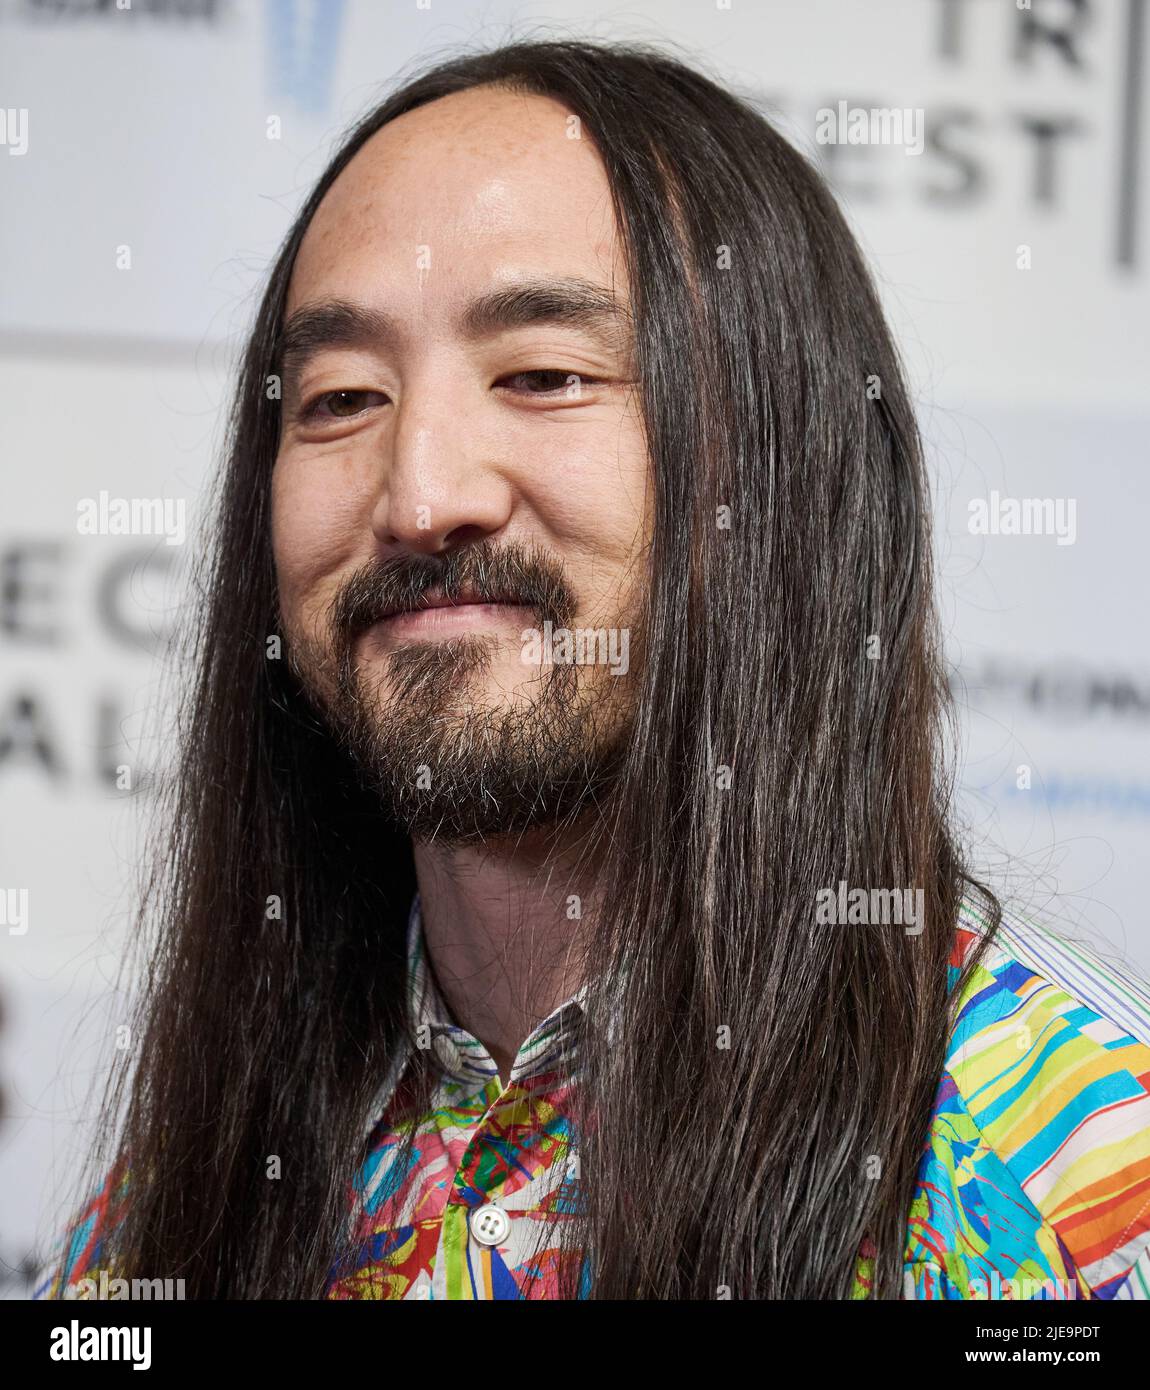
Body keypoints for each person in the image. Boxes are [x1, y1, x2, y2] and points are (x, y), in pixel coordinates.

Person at [36, 38, 1150, 1302]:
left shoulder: (1082, 1188)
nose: (423, 495)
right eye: (342, 398)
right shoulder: (192, 1183)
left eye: (544, 377)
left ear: (776, 472)